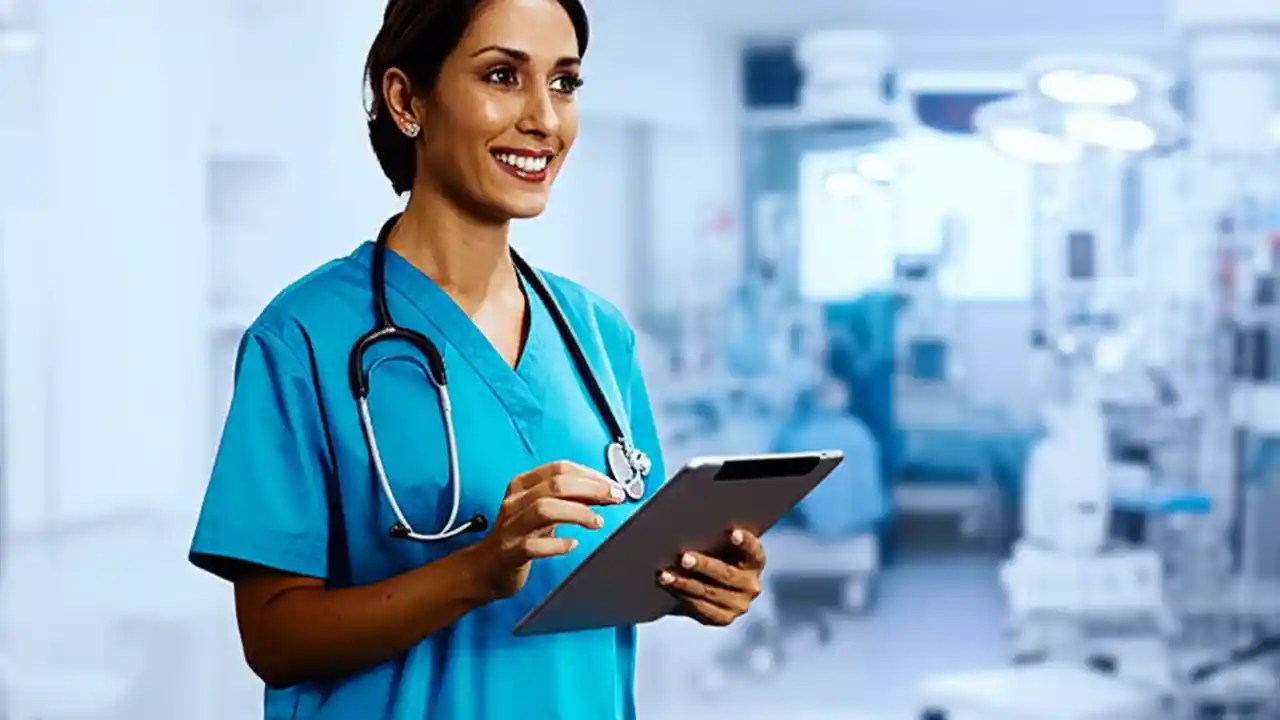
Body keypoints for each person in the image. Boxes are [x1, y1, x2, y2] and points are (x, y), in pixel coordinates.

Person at [186, 1, 767, 718]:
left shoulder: (597, 334)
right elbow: (274, 640)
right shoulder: (303, 337)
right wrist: (478, 571)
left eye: (564, 84)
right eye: (502, 75)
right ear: (407, 100)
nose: (545, 121)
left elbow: (616, 567)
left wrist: (700, 583)